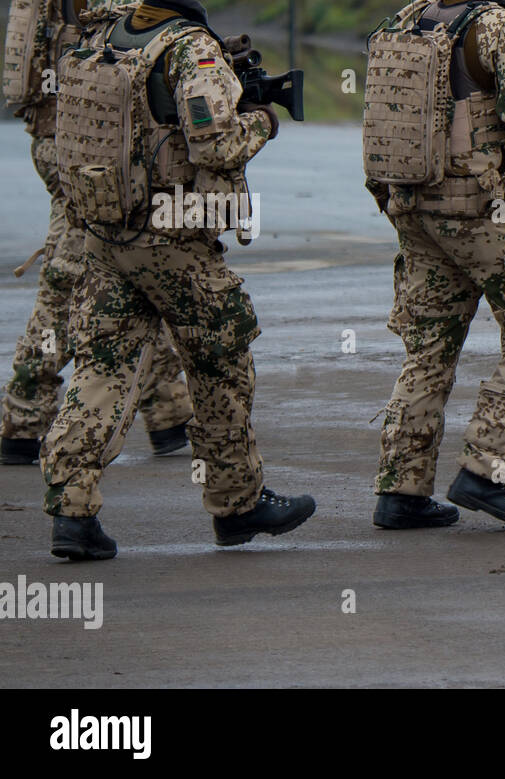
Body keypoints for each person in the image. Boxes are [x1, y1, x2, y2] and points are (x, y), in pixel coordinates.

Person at [42, 0, 315, 560]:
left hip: (107, 233)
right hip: (173, 238)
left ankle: (72, 511)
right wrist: (262, 120)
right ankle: (237, 504)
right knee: (221, 362)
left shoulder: (109, 34)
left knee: (102, 369)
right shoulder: (189, 47)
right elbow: (215, 144)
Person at [363, 0, 505, 529]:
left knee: (428, 350)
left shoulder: (407, 19)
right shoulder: (500, 26)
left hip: (413, 204)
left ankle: (401, 490)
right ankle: (486, 469)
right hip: (478, 209)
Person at [1, 0, 192, 467]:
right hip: (92, 155)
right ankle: (23, 417)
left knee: (126, 273)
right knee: (67, 282)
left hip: (67, 142)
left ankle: (168, 412)